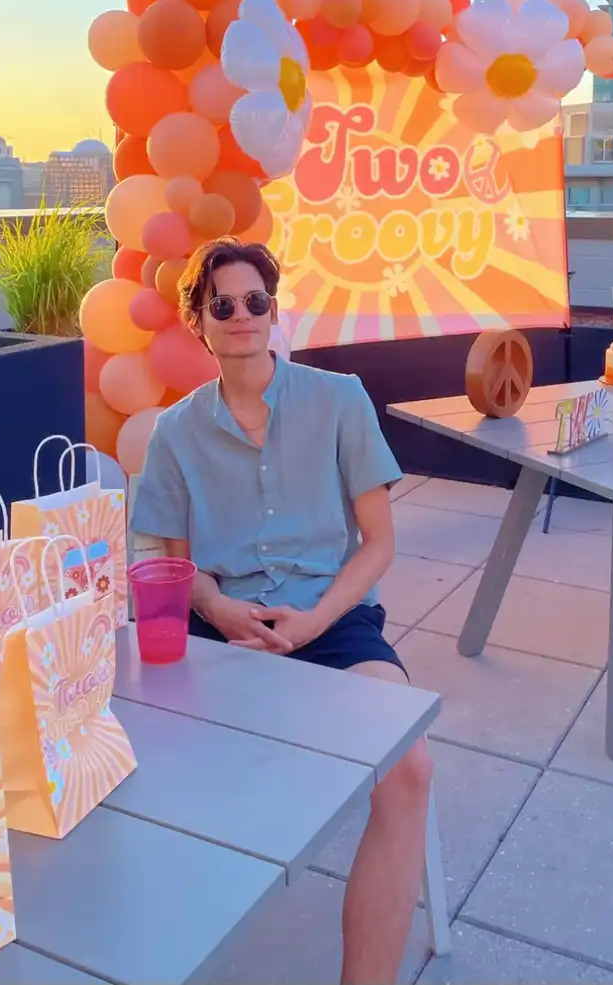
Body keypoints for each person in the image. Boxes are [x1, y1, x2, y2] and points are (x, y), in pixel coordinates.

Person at [131, 237, 433, 985]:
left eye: (254, 301)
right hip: (221, 627)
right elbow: (166, 563)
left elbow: (377, 541)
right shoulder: (174, 431)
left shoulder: (340, 399)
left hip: (331, 620)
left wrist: (318, 619)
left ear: (275, 311)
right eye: (222, 304)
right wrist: (217, 604)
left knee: (410, 766)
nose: (241, 315)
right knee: (146, 769)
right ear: (198, 322)